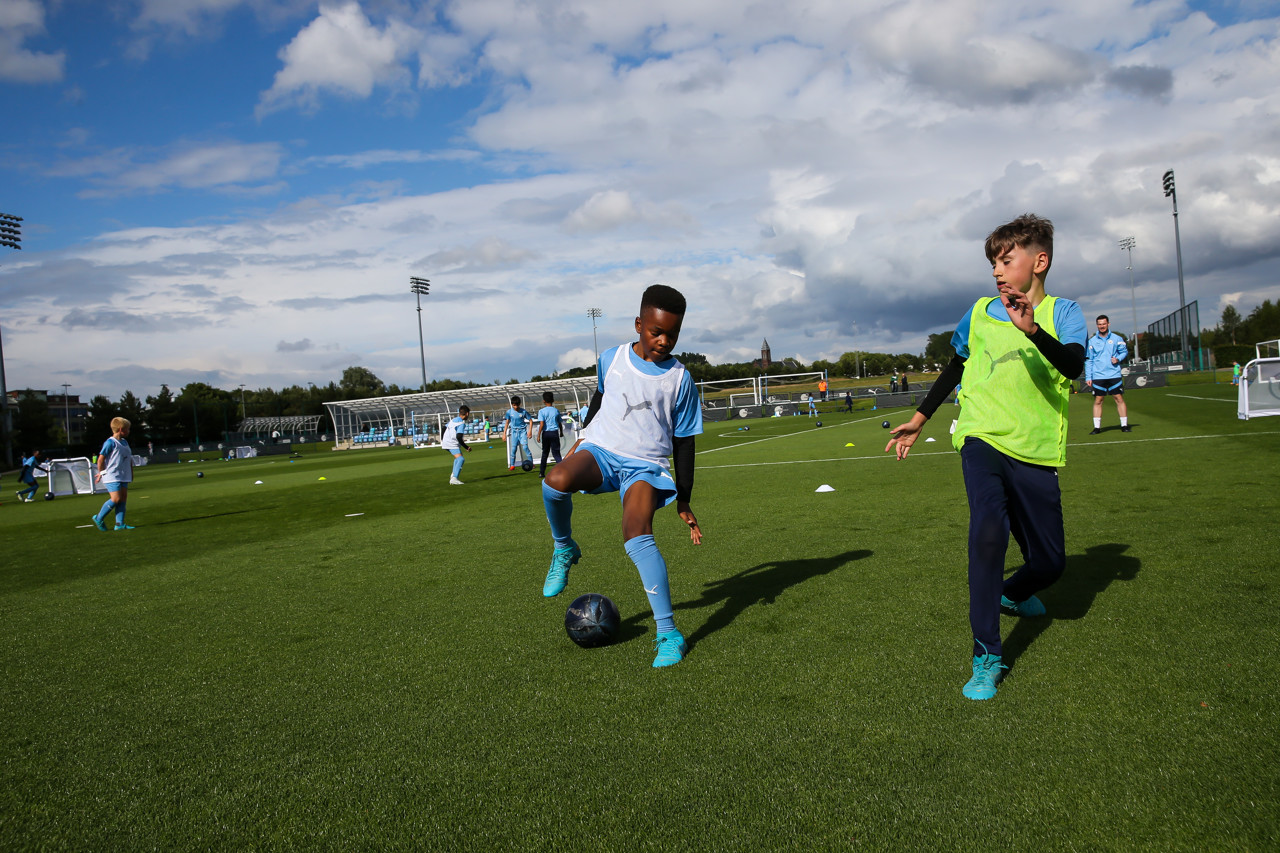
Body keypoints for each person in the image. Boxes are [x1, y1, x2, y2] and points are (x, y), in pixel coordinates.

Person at [885, 214, 1086, 701]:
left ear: (1039, 261)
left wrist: (1033, 330)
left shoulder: (1064, 312)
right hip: (980, 438)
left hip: (1036, 448)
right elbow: (956, 366)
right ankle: (986, 655)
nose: (997, 270)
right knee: (987, 531)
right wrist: (920, 418)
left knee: (1050, 563)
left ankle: (1012, 593)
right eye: (993, 262)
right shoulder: (977, 312)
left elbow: (1073, 366)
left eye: (1006, 260)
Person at [540, 284, 703, 668]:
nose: (664, 341)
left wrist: (683, 498)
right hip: (601, 450)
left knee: (636, 534)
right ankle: (564, 548)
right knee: (554, 482)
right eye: (656, 332)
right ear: (638, 325)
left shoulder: (680, 379)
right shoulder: (611, 358)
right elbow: (601, 398)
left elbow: (684, 443)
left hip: (645, 465)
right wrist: (583, 437)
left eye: (672, 334)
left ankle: (669, 634)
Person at [1085, 314, 1130, 434]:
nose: (1102, 326)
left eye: (1104, 324)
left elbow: (1124, 352)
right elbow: (1089, 360)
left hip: (1114, 374)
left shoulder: (1117, 338)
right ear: (1097, 325)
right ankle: (1097, 428)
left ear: (1108, 324)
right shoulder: (1091, 342)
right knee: (1098, 400)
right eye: (1099, 324)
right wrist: (1088, 376)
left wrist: (1118, 358)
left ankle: (1124, 425)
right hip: (1098, 376)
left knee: (1118, 398)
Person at [92, 417, 136, 531]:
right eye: (127, 429)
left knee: (123, 499)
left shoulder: (125, 442)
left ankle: (119, 524)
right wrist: (102, 472)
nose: (129, 431)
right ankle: (99, 518)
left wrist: (131, 473)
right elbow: (101, 459)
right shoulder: (110, 442)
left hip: (123, 475)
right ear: (121, 429)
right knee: (116, 499)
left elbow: (128, 459)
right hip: (112, 475)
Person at [535, 392, 564, 478]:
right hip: (554, 433)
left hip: (546, 434)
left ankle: (541, 472)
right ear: (553, 400)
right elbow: (559, 423)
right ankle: (563, 471)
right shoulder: (556, 410)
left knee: (545, 453)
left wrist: (538, 435)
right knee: (556, 454)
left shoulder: (541, 411)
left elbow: (542, 424)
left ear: (543, 401)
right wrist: (561, 432)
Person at [441, 405, 472, 485]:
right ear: (467, 413)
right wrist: (466, 447)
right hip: (452, 443)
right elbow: (459, 436)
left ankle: (453, 475)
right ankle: (454, 478)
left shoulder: (453, 420)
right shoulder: (461, 423)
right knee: (461, 459)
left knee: (458, 458)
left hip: (447, 442)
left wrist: (442, 439)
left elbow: (443, 428)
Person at [502, 395, 533, 471]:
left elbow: (530, 420)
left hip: (522, 432)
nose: (515, 407)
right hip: (514, 432)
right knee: (513, 449)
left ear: (519, 404)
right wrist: (504, 434)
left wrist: (530, 431)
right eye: (514, 405)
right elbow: (507, 423)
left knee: (525, 447)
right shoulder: (509, 412)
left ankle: (531, 463)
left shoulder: (523, 411)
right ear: (512, 405)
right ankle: (512, 465)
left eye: (517, 405)